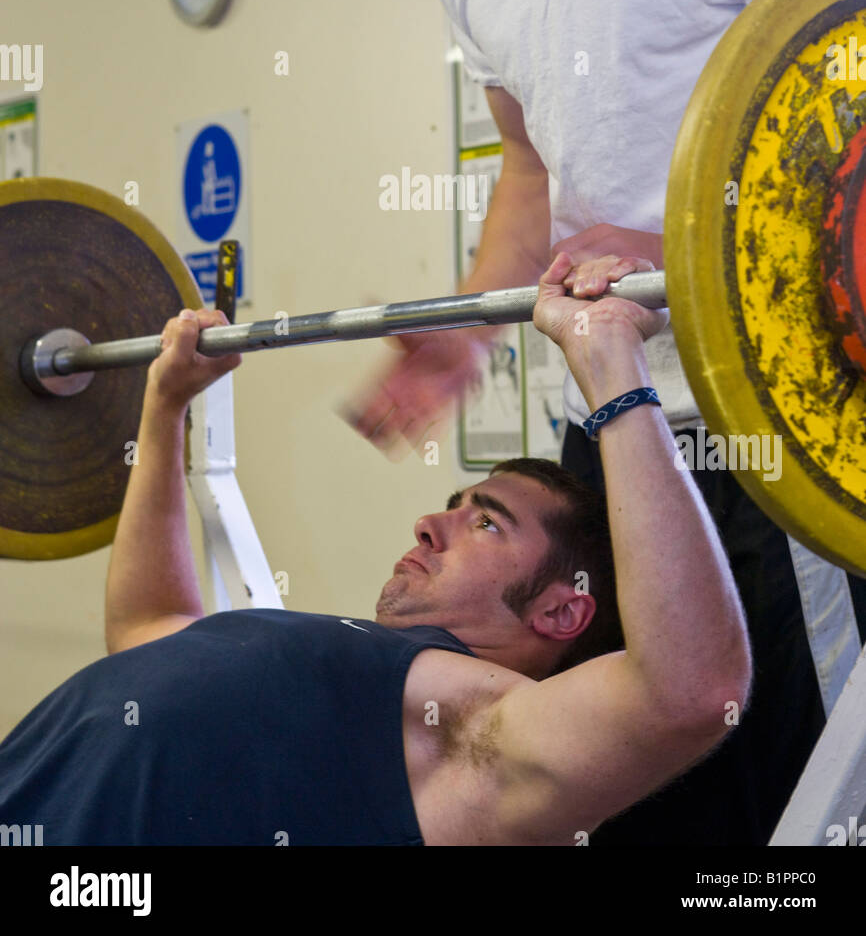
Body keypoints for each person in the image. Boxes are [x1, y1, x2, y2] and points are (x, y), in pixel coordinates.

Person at [266, 0, 864, 844]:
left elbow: (844, 105)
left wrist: (688, 251)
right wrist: (463, 337)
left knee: (801, 790)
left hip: (775, 413)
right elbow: (533, 171)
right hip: (621, 425)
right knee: (639, 775)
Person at [0, 256, 751, 846]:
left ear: (562, 609)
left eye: (485, 523)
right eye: (455, 505)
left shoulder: (477, 736)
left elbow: (690, 693)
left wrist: (611, 364)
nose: (430, 523)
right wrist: (164, 406)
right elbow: (145, 627)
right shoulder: (331, 656)